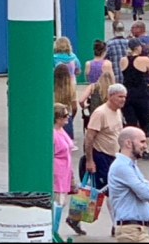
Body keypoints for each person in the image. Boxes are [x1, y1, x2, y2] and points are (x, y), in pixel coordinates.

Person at [108, 126, 149, 243]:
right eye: (142, 142)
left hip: (139, 230)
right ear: (128, 143)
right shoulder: (122, 166)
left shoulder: (131, 166)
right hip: (131, 231)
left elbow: (146, 190)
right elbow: (146, 194)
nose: (145, 146)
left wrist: (148, 188)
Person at [84, 84, 126, 189]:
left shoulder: (118, 111)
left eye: (124, 97)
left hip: (114, 156)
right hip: (101, 156)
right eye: (120, 97)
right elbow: (89, 138)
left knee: (114, 189)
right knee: (103, 189)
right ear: (110, 96)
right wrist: (89, 161)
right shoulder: (100, 113)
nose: (123, 100)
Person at [53, 103, 84, 236]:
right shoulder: (52, 133)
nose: (68, 118)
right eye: (65, 115)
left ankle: (55, 228)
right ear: (57, 117)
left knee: (62, 202)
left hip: (65, 171)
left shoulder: (61, 130)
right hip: (57, 172)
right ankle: (53, 230)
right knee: (58, 202)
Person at [120, 38, 149, 130]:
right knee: (145, 124)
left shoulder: (123, 60)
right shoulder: (145, 60)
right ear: (137, 47)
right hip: (141, 94)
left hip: (127, 95)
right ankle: (144, 142)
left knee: (130, 124)